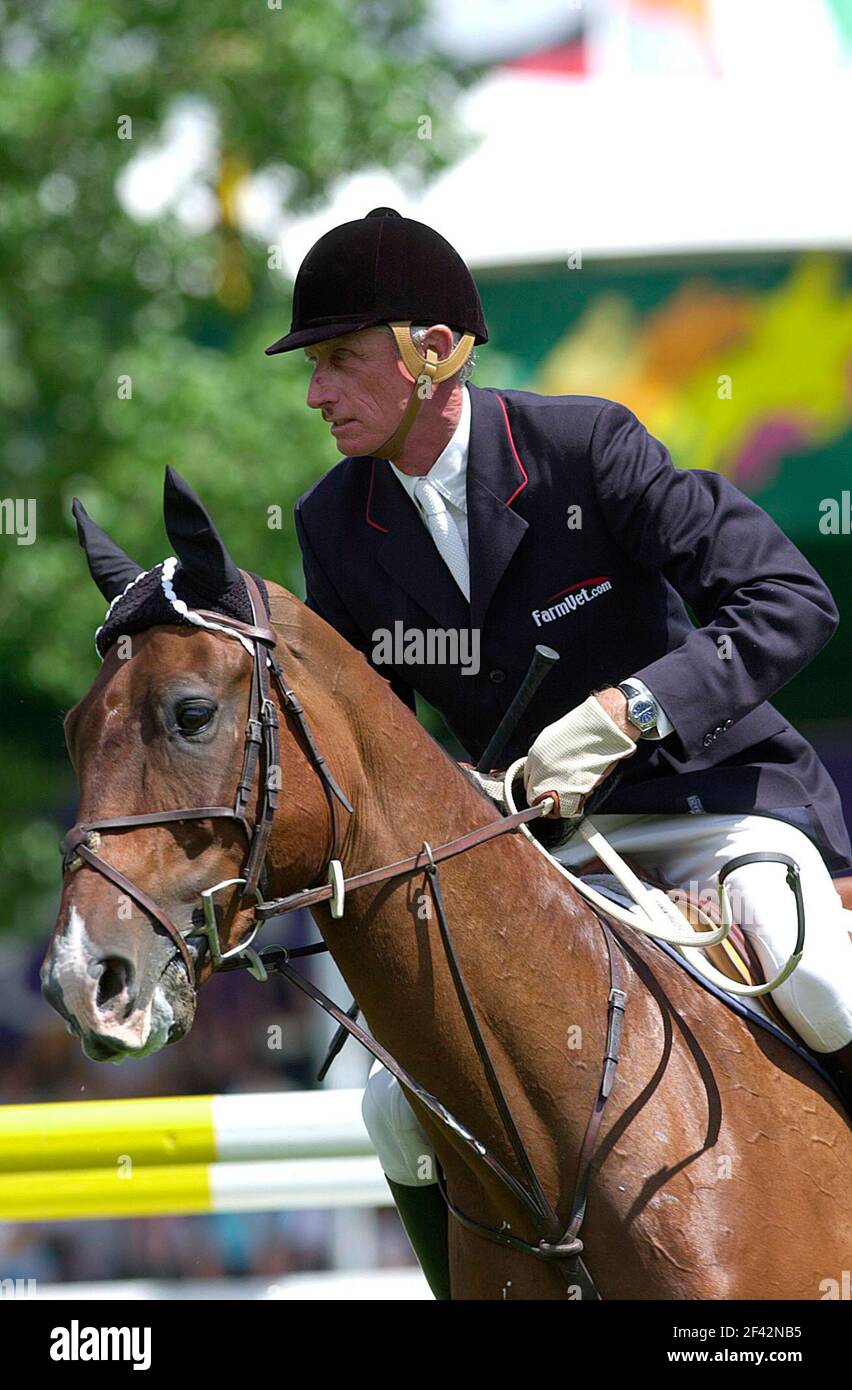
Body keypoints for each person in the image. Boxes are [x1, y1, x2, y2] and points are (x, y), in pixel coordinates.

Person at [265, 208, 852, 1298]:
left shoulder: (587, 447)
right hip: (541, 852)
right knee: (396, 1108)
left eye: (339, 360)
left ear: (431, 350)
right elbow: (361, 743)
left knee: (818, 975)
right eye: (314, 367)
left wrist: (629, 711)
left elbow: (788, 599)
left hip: (713, 804)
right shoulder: (336, 522)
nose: (316, 393)